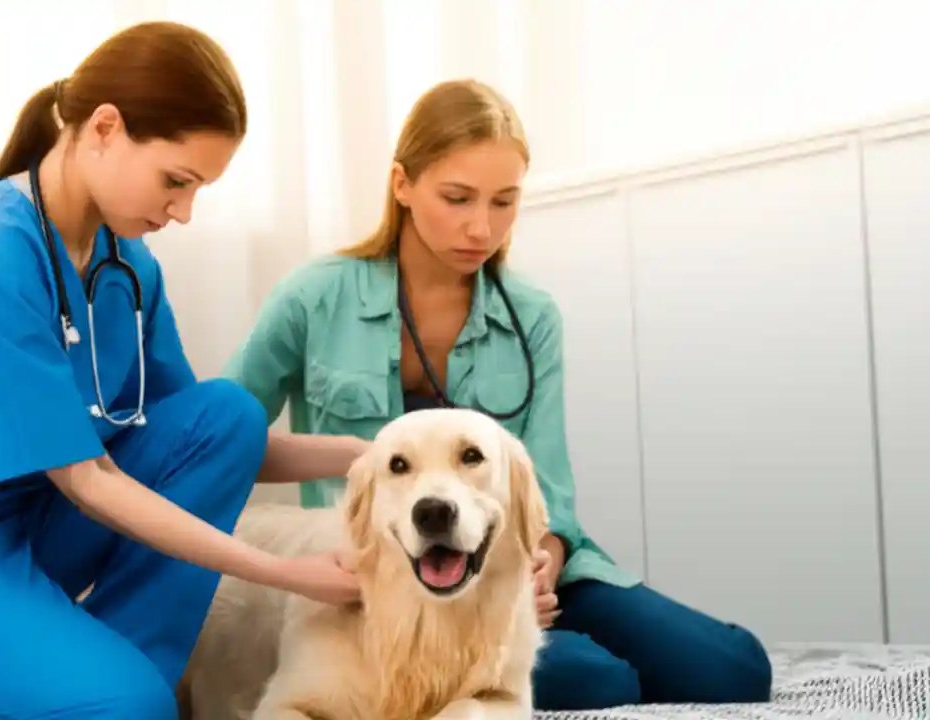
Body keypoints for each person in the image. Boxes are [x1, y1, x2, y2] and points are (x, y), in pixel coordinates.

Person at [0, 22, 361, 720]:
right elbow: (88, 481)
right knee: (132, 706)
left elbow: (205, 447)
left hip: (24, 530)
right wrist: (287, 574)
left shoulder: (126, 265)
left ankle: (64, 689)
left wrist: (378, 453)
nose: (183, 212)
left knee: (228, 418)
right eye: (176, 181)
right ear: (104, 127)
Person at [222, 78, 775, 711]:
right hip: (395, 582)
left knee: (732, 673)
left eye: (504, 202)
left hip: (522, 567)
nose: (481, 227)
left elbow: (551, 483)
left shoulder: (532, 315)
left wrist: (544, 557)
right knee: (598, 680)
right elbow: (217, 436)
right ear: (402, 185)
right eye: (457, 198)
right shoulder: (313, 299)